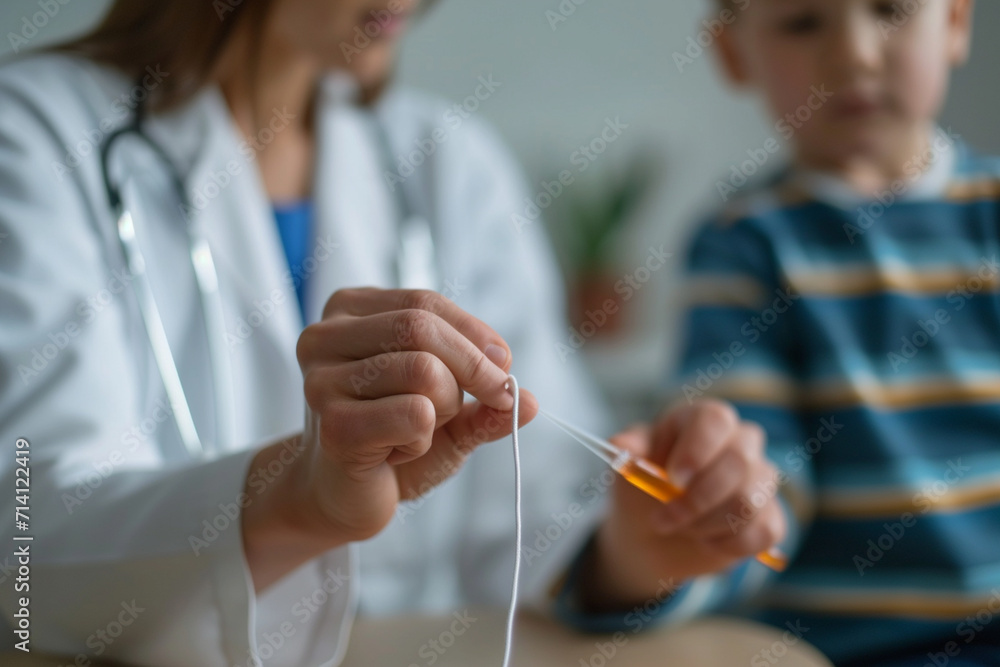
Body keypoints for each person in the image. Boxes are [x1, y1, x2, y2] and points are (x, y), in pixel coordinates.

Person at [0, 0, 785, 665]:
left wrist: (632, 547)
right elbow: (28, 552)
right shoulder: (31, 138)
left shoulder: (449, 164)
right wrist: (301, 501)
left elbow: (542, 499)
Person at [662, 0, 1000, 664]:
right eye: (802, 23)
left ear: (955, 24)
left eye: (891, 10)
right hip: (850, 650)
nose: (854, 56)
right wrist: (702, 524)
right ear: (734, 55)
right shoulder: (743, 247)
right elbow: (763, 492)